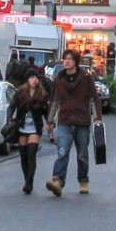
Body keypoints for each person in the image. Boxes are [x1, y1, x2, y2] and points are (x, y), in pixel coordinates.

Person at [44, 49, 98, 198]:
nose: (66, 61)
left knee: (82, 154)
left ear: (75, 61)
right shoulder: (58, 79)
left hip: (82, 121)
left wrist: (97, 117)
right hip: (64, 121)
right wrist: (50, 120)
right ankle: (57, 182)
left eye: (69, 59)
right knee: (62, 152)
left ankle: (83, 180)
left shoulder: (86, 78)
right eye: (65, 59)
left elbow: (94, 98)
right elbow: (54, 100)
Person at [7, 72, 49, 194]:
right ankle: (27, 178)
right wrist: (10, 117)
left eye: (36, 78)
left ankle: (29, 182)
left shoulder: (42, 94)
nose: (34, 80)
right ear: (27, 80)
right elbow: (12, 106)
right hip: (22, 126)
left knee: (31, 154)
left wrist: (49, 123)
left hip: (35, 127)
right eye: (31, 78)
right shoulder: (20, 92)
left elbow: (46, 111)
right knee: (23, 155)